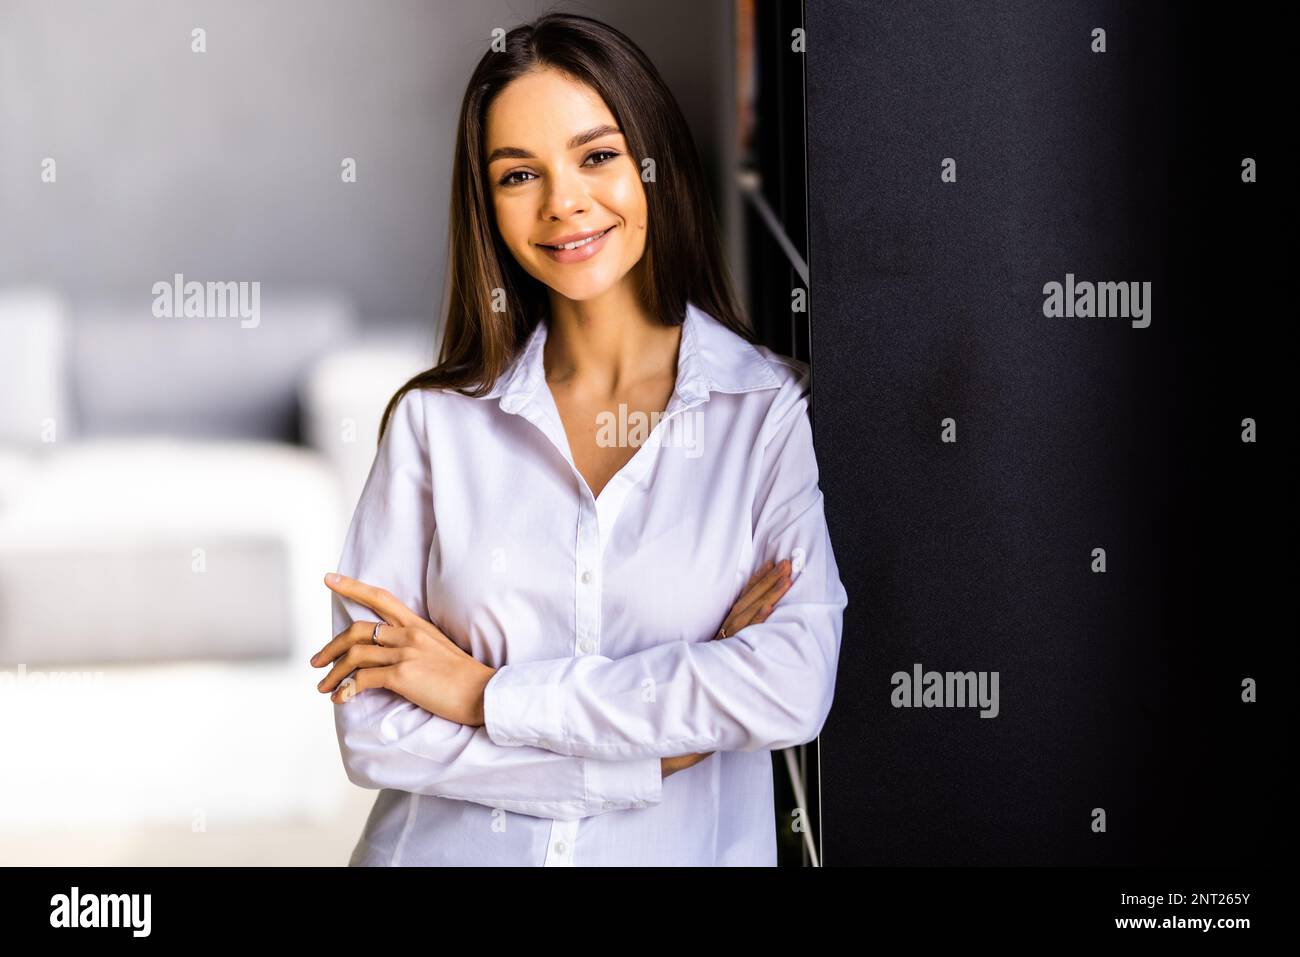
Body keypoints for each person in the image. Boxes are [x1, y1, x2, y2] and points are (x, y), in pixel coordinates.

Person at [308, 11, 847, 866]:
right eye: (519, 174)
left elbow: (789, 686)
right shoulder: (434, 425)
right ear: (486, 203)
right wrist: (663, 745)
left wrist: (484, 694)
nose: (564, 203)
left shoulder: (764, 412)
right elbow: (375, 734)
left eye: (596, 155)